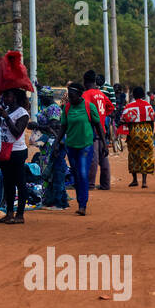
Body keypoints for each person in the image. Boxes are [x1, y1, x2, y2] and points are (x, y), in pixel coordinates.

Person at [62, 83, 102, 216]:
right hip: (71, 146)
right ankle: (80, 201)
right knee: (76, 175)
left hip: (85, 145)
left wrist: (104, 143)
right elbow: (63, 127)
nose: (70, 98)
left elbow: (98, 125)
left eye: (72, 96)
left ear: (79, 95)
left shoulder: (89, 107)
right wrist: (57, 144)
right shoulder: (67, 108)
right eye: (69, 95)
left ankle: (82, 205)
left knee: (83, 174)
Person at [0, 87, 31, 224]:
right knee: (8, 183)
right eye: (4, 97)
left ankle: (20, 214)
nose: (5, 99)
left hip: (17, 152)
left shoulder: (22, 113)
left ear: (14, 97)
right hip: (5, 151)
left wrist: (6, 117)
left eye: (7, 97)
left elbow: (17, 133)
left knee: (20, 183)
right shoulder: (8, 111)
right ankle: (9, 213)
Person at [33, 87, 68, 209]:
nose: (40, 99)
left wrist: (36, 125)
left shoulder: (53, 108)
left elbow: (54, 126)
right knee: (48, 170)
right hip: (48, 143)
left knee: (50, 171)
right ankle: (50, 198)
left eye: (42, 97)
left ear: (47, 97)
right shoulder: (49, 107)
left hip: (52, 143)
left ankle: (52, 199)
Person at [81, 70, 114, 190]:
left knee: (93, 157)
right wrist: (104, 114)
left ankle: (90, 184)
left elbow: (85, 109)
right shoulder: (101, 94)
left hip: (92, 129)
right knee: (103, 156)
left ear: (85, 82)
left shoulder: (86, 94)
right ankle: (105, 184)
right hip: (102, 129)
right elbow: (111, 106)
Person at [120, 86, 155, 188]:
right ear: (143, 95)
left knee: (133, 155)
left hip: (133, 133)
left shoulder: (129, 106)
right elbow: (152, 120)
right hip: (146, 132)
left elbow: (123, 120)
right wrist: (152, 133)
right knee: (146, 155)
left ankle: (135, 180)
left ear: (134, 95)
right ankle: (144, 182)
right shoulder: (148, 106)